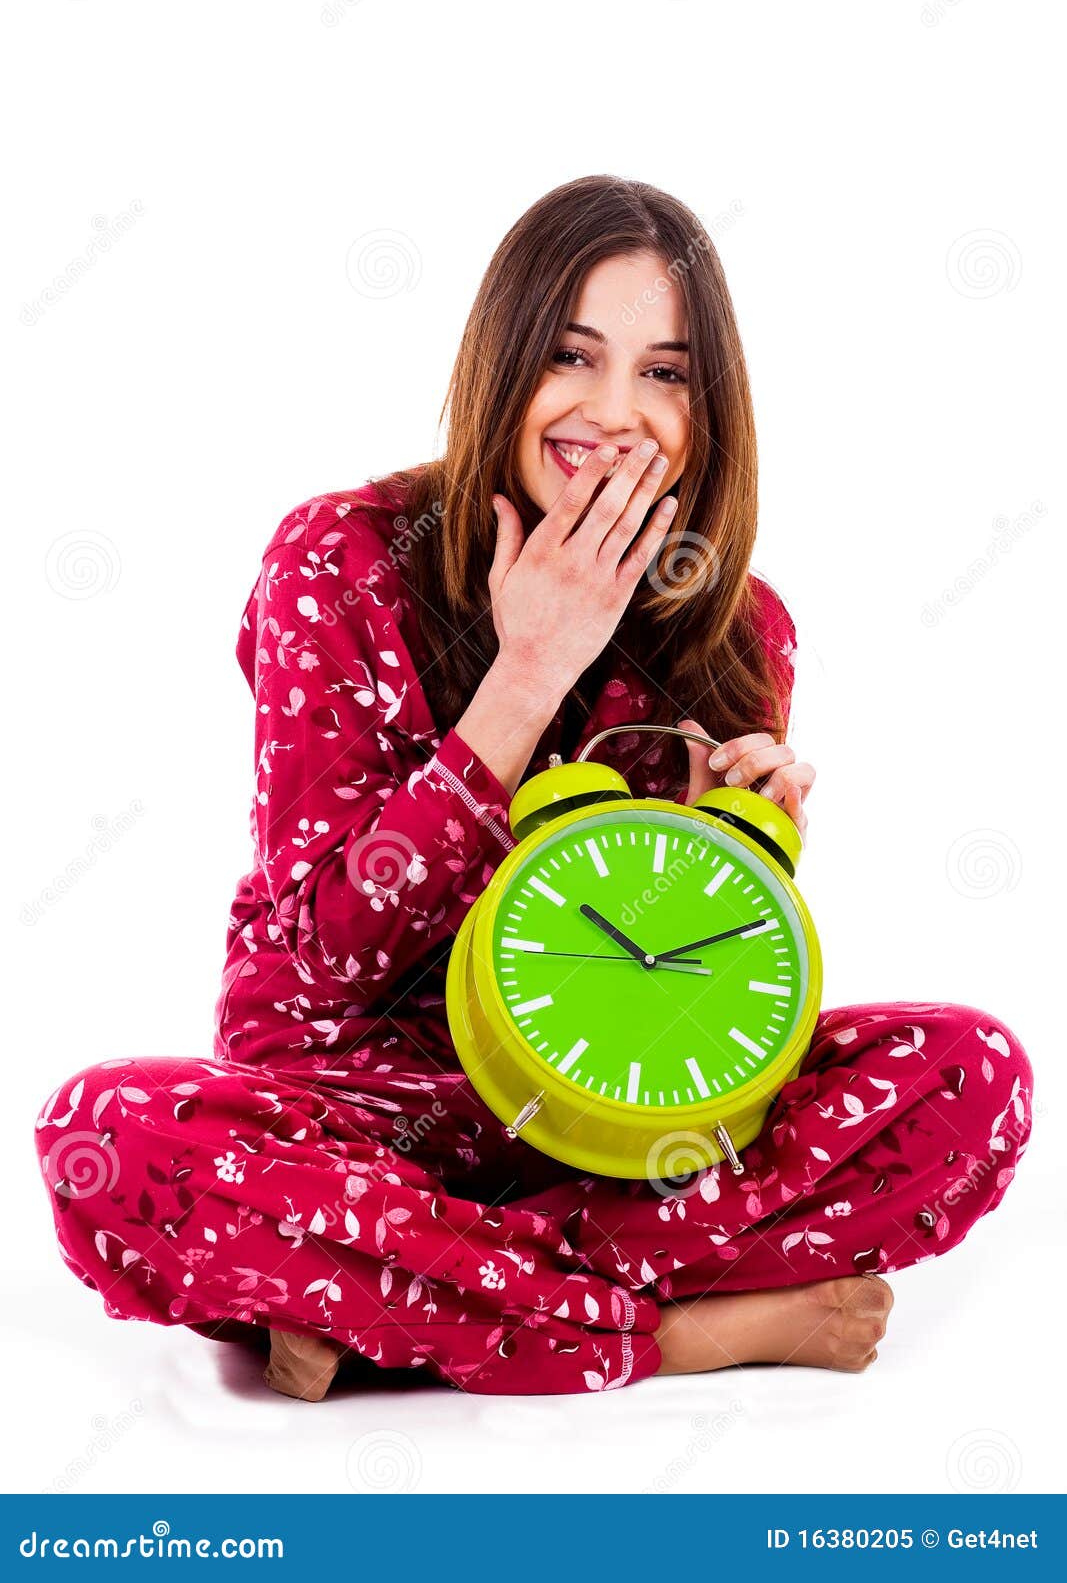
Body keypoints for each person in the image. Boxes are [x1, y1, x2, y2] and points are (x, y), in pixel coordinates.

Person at [34, 176, 1033, 1401]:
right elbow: (307, 979)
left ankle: (390, 1303)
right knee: (113, 1136)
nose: (616, 414)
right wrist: (523, 678)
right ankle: (675, 1330)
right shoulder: (339, 561)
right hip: (360, 1121)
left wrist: (747, 859)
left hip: (616, 1139)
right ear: (504, 359)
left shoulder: (735, 630)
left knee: (969, 1076)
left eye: (664, 373)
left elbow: (685, 1002)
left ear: (706, 406)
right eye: (573, 355)